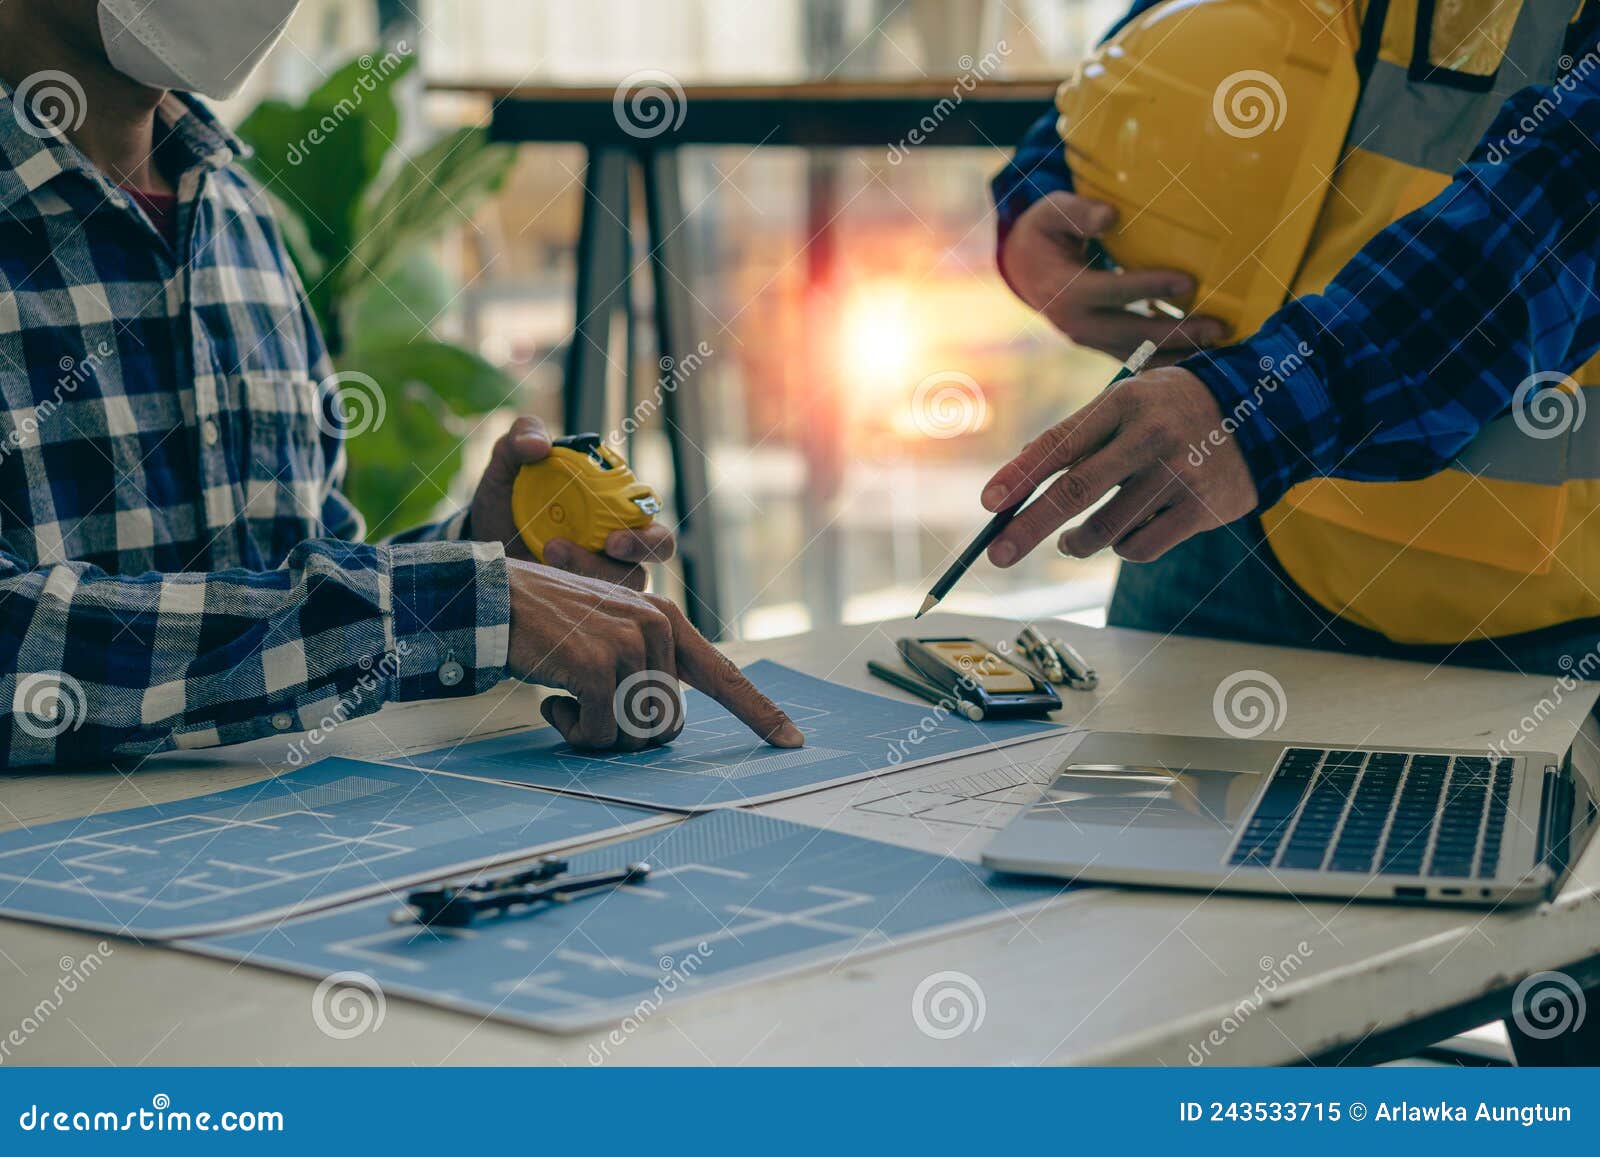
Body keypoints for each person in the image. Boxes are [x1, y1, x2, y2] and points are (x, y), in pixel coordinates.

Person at [991, 0, 1600, 1063]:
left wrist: (1252, 409)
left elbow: (1542, 226)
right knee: (1136, 1003)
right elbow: (1176, 33)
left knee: (1569, 1040)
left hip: (1549, 615)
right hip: (1227, 548)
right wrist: (1044, 191)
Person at [0, 0, 803, 768]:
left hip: (288, 838)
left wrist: (493, 555)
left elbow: (277, 589)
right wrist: (450, 606)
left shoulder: (238, 215)